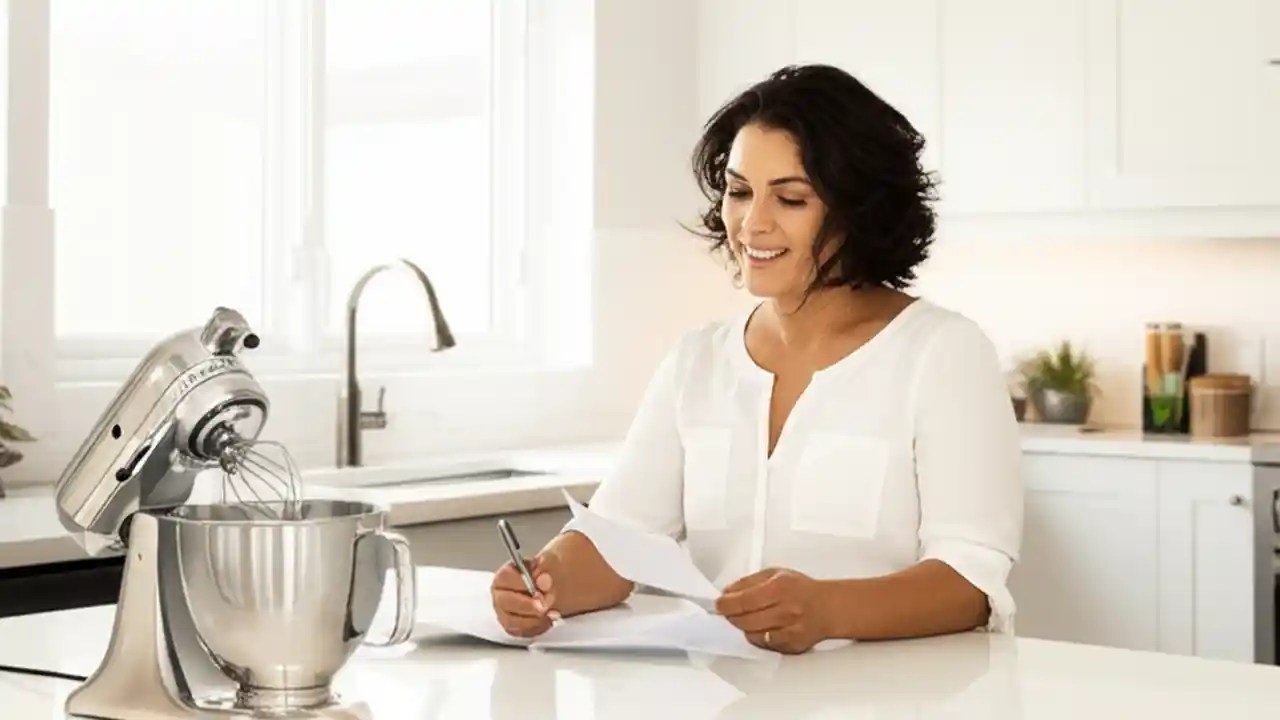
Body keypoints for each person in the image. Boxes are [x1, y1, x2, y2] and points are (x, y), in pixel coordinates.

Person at [490, 64, 1023, 654]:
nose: (753, 222)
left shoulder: (943, 354)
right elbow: (618, 537)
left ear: (858, 211)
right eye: (740, 191)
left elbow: (971, 581)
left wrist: (828, 608)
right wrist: (543, 581)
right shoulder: (697, 362)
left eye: (790, 198)